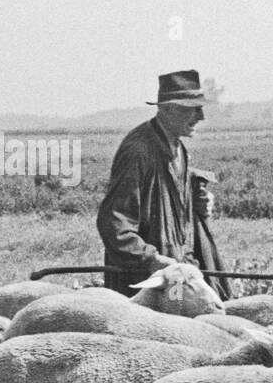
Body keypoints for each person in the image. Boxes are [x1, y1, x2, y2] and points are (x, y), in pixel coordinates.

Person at [96, 69, 228, 300]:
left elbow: (175, 215)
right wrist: (151, 259)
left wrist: (197, 207)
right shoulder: (138, 151)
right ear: (166, 109)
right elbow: (113, 223)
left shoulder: (179, 150)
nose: (200, 117)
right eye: (191, 109)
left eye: (200, 108)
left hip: (176, 279)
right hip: (145, 286)